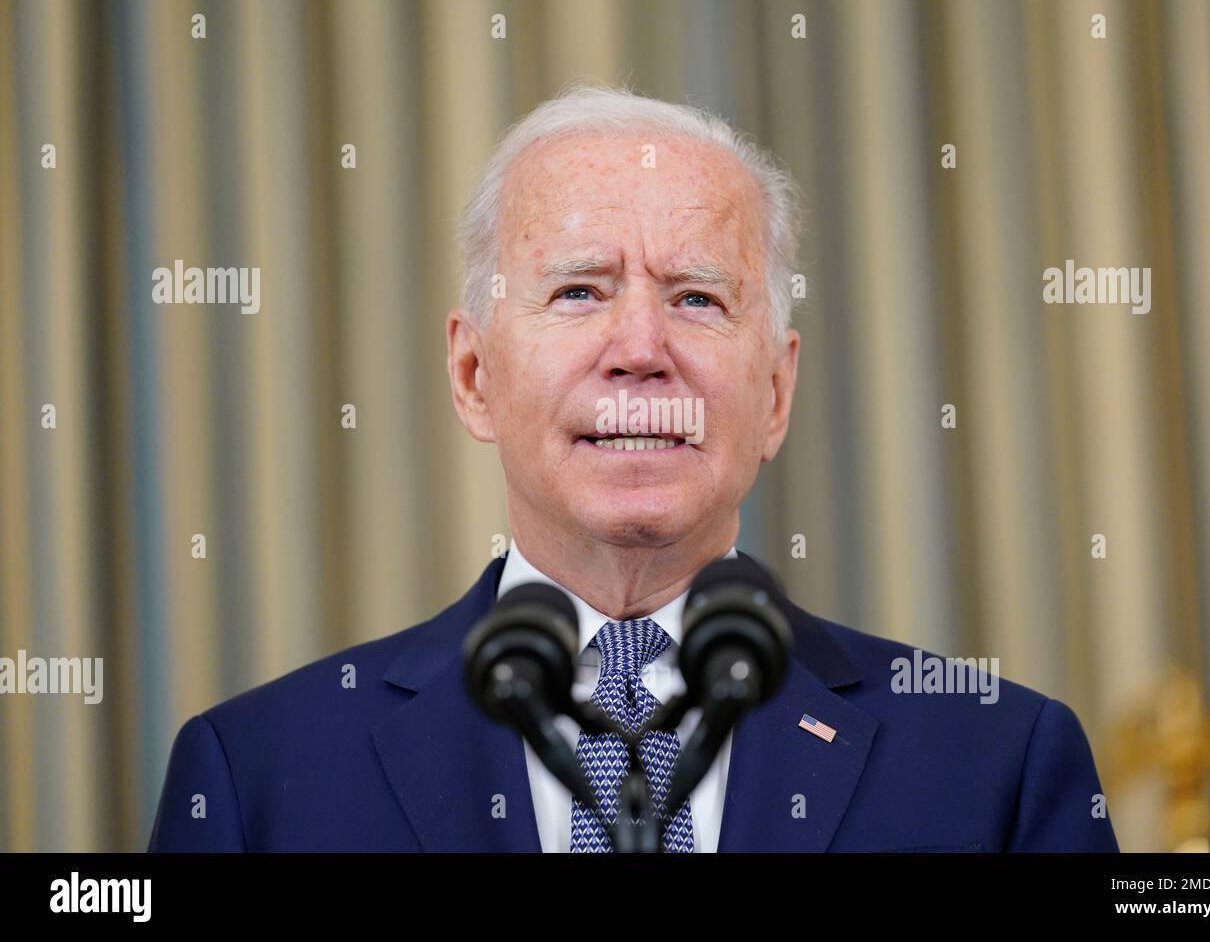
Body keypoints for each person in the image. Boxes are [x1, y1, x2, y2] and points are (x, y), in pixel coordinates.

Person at [149, 82, 1119, 852]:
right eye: (579, 290)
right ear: (474, 372)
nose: (640, 346)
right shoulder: (259, 776)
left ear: (775, 390)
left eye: (697, 298)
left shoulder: (995, 762)